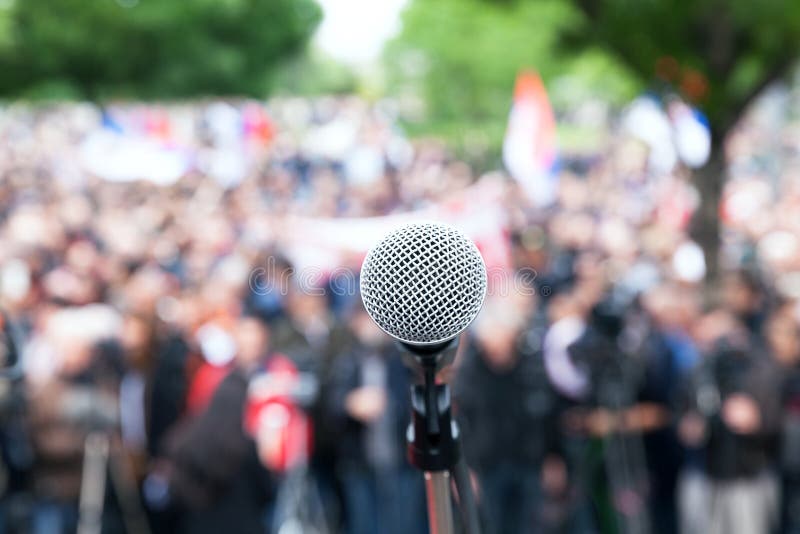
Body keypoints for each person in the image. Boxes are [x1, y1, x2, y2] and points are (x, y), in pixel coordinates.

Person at [454, 296, 556, 534]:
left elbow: (545, 416)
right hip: (487, 466)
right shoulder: (470, 372)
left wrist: (553, 456)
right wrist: (465, 471)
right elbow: (462, 425)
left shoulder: (531, 365)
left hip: (527, 462)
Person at [325, 308, 426, 534]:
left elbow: (418, 400)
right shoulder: (346, 361)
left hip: (401, 459)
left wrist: (394, 403)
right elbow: (330, 407)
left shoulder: (403, 360)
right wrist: (350, 404)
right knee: (363, 524)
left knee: (404, 525)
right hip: (359, 462)